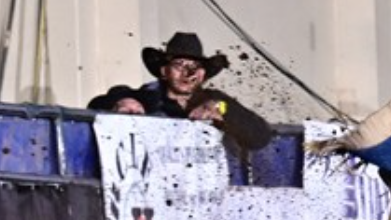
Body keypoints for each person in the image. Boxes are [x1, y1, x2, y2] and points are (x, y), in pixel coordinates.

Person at [87, 32, 273, 152]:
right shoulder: (148, 98)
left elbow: (260, 137)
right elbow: (96, 105)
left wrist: (221, 108)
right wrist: (122, 101)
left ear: (202, 75)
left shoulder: (215, 101)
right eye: (179, 65)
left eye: (194, 66)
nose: (188, 73)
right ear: (164, 71)